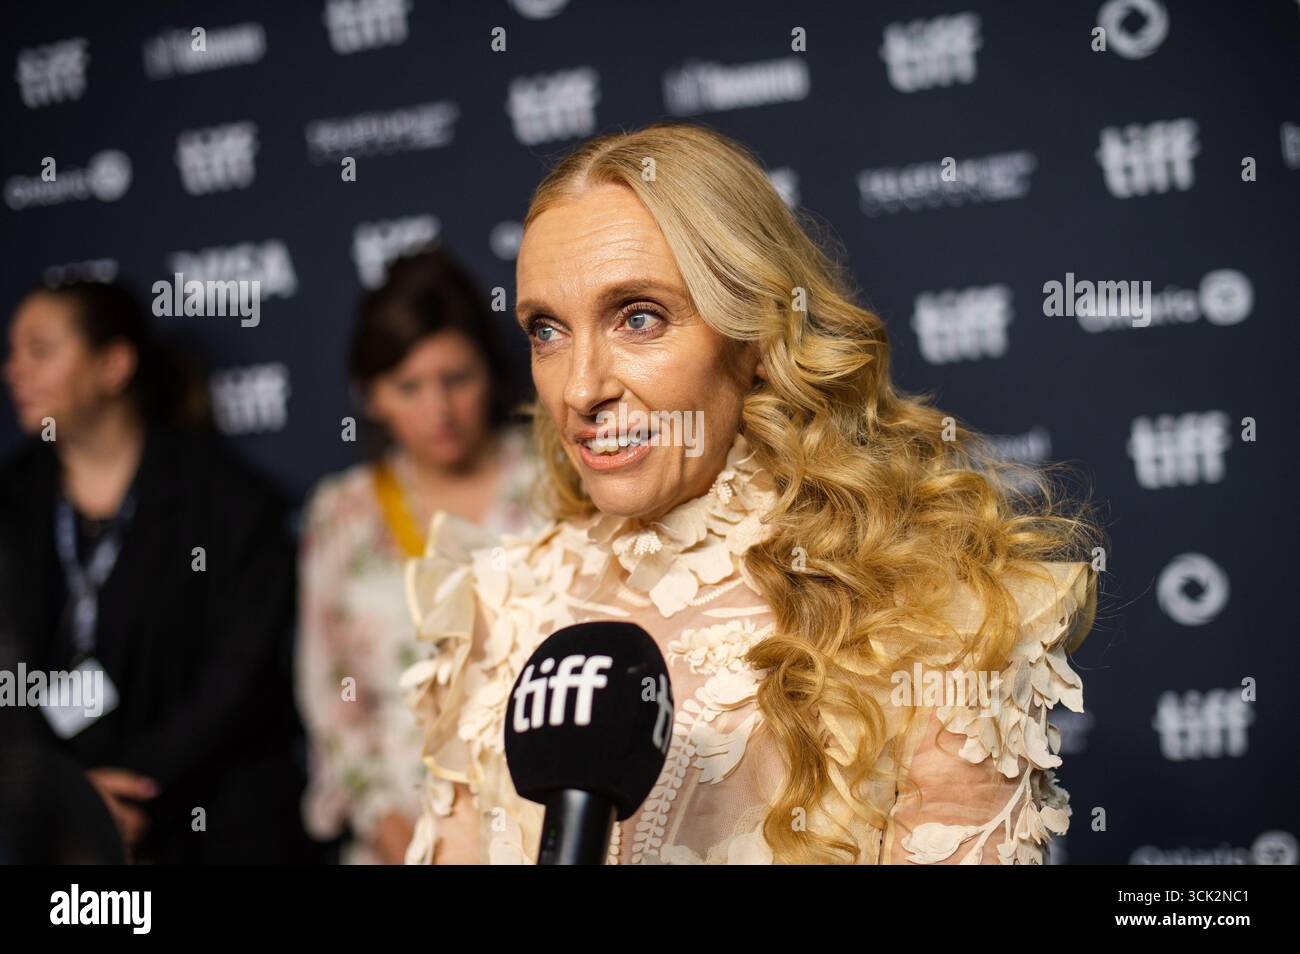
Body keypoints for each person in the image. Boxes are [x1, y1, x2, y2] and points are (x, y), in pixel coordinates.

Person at [400, 122, 1103, 866]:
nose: (581, 389)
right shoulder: (495, 604)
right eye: (547, 331)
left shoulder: (938, 613)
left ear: (758, 333)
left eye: (638, 318)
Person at [0, 280, 314, 863]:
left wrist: (129, 786)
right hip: (63, 834)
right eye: (13, 352)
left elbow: (236, 685)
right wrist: (65, 792)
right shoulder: (12, 502)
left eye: (39, 350)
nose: (14, 370)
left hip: (215, 827)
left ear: (114, 364)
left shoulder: (229, 501)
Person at [295, 249, 541, 864]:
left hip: (550, 823)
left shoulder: (558, 478)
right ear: (371, 396)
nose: (439, 411)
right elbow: (330, 696)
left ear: (491, 373)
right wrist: (394, 831)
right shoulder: (342, 512)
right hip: (400, 836)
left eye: (457, 379)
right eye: (408, 387)